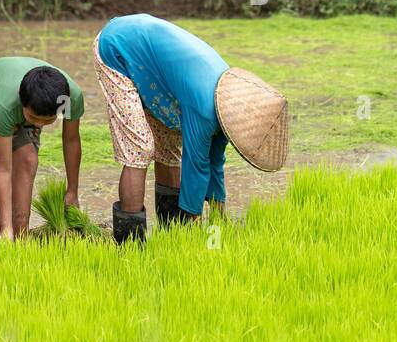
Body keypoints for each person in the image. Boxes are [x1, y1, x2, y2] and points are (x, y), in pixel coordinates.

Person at [92, 14, 288, 242]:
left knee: (169, 146)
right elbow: (196, 166)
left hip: (154, 62)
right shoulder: (206, 109)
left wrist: (218, 218)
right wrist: (195, 230)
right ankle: (130, 245)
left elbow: (215, 162)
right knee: (141, 148)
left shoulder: (229, 107)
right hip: (117, 47)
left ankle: (171, 234)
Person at [0, 56, 83, 239]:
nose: (39, 125)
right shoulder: (7, 107)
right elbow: (4, 168)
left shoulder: (68, 100)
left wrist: (72, 191)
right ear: (22, 105)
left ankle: (0, 233)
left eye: (48, 121)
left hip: (28, 98)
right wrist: (8, 226)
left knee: (25, 168)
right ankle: (15, 234)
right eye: (34, 118)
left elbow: (71, 141)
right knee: (27, 159)